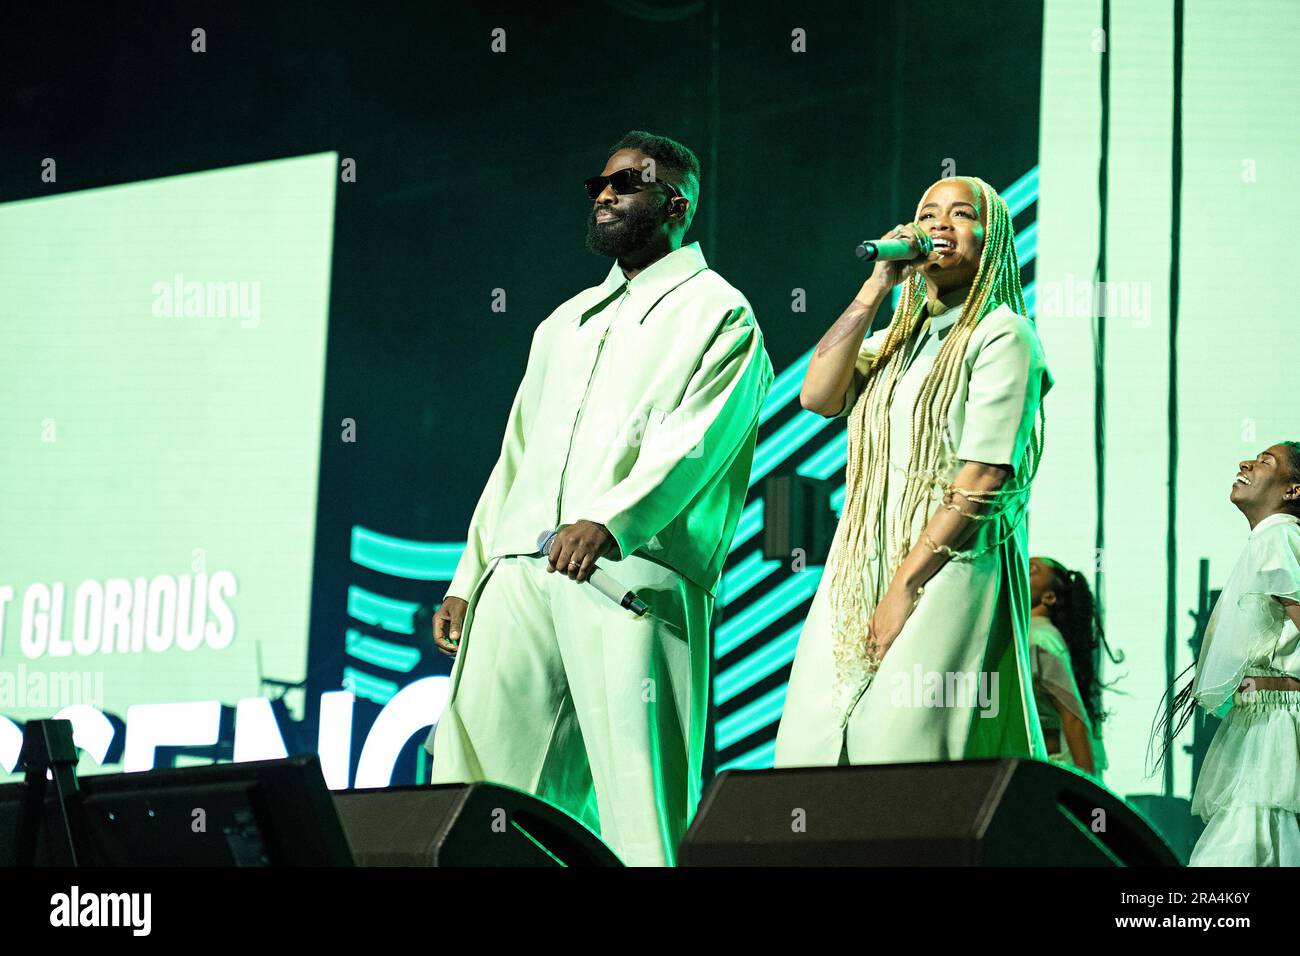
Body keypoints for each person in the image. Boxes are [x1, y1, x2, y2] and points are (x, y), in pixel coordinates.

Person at [425, 130, 773, 867]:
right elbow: (513, 460)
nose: (605, 194)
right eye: (599, 185)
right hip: (518, 572)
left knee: (638, 805)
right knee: (477, 784)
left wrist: (611, 522)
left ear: (676, 202)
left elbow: (699, 441)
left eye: (627, 183)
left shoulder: (718, 311)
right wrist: (468, 577)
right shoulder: (563, 322)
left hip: (630, 576)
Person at [775, 175, 1052, 767]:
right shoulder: (898, 339)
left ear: (993, 234)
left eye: (961, 213)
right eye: (928, 214)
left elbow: (984, 475)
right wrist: (875, 286)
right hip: (860, 561)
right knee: (810, 747)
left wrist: (907, 584)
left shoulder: (1005, 334)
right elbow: (817, 395)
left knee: (904, 750)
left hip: (946, 565)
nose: (940, 224)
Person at [1183, 442, 1300, 866]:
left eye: (1266, 461)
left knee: (1244, 844)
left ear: (1292, 490)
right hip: (1260, 716)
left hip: (1274, 721)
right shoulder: (1271, 538)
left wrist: (1287, 683)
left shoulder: (1277, 534)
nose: (1245, 464)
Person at [1027, 556, 1117, 778]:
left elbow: (1073, 717)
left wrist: (1089, 792)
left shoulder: (1041, 639)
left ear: (1049, 596)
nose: (1022, 568)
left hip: (1054, 771)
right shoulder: (1030, 635)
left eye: (1032, 569)